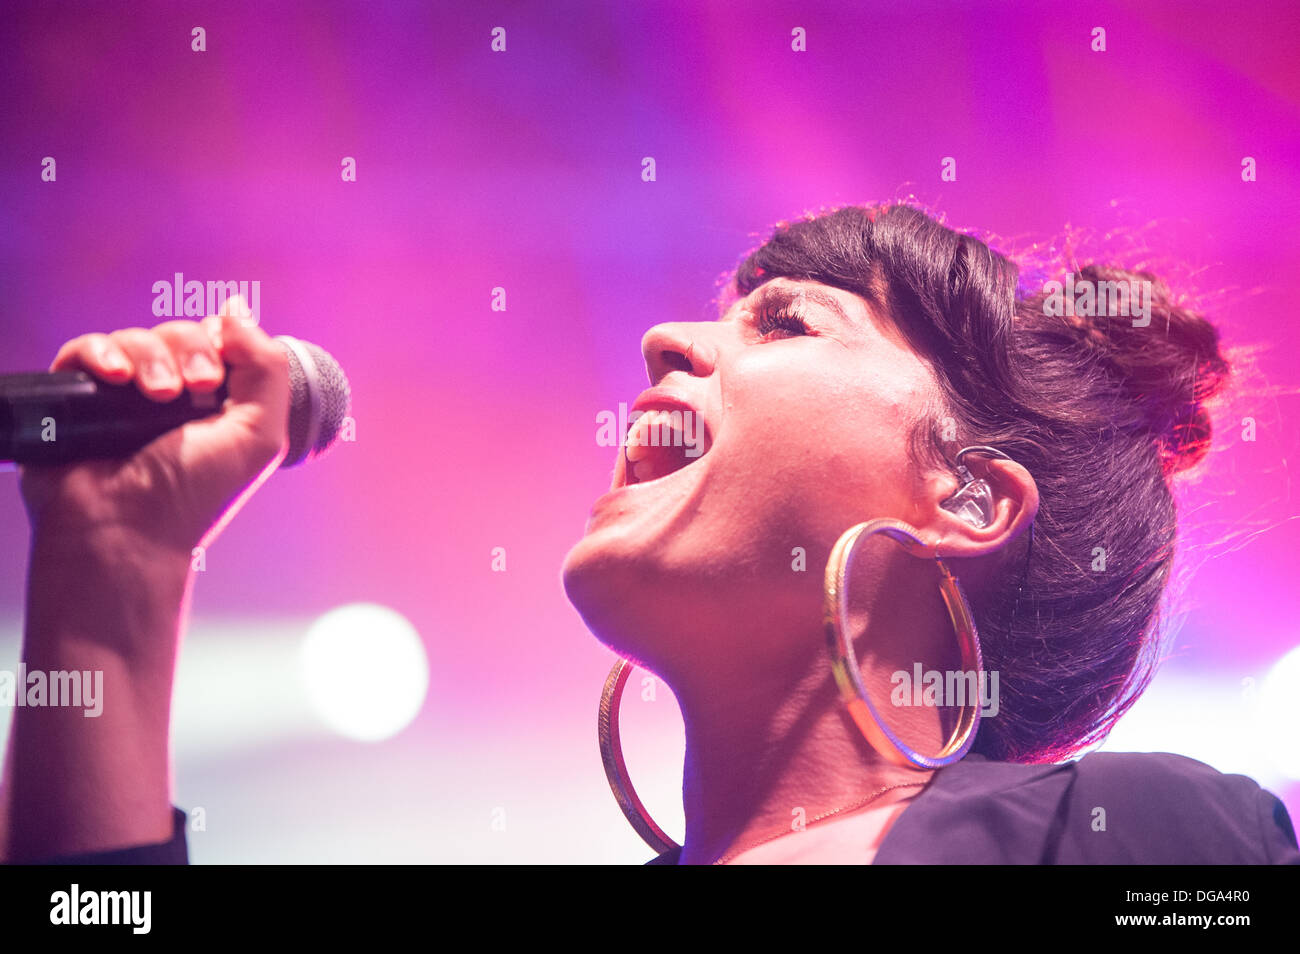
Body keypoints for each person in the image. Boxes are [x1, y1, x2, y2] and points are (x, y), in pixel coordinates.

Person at [1, 204, 1295, 865]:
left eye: (786, 322)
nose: (668, 338)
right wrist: (109, 591)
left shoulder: (1145, 834)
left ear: (965, 497)